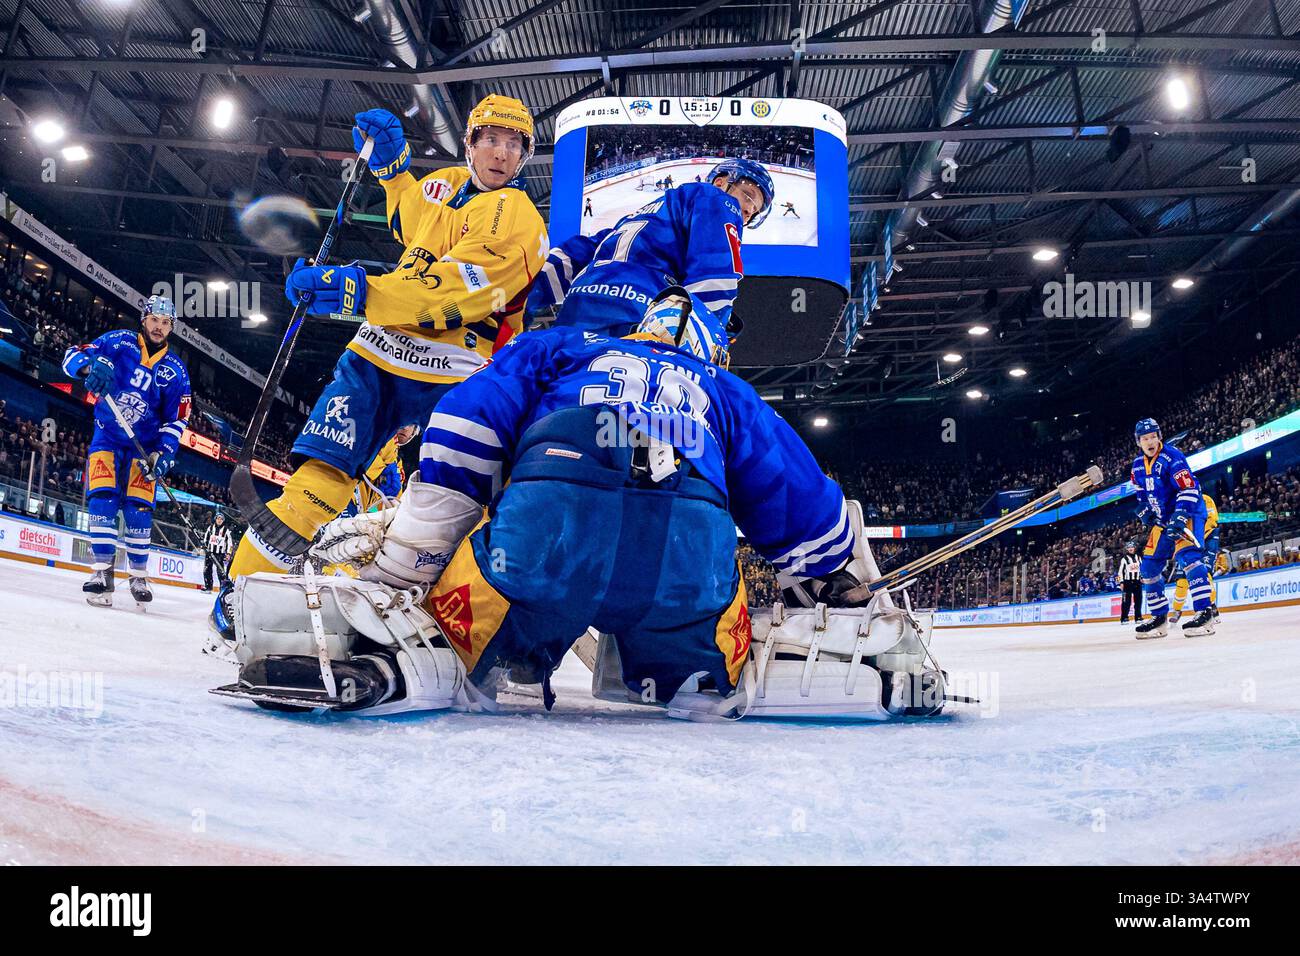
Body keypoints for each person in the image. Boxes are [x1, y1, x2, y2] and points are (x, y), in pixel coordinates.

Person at [223, 288, 943, 720]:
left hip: (547, 532)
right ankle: (841, 669)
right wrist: (846, 596)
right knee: (721, 657)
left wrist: (405, 571)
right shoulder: (724, 391)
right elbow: (805, 513)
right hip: (686, 560)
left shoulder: (562, 348)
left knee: (473, 623)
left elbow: (463, 427)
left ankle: (414, 660)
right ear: (709, 349)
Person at [217, 96, 548, 635]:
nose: (501, 153)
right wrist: (393, 173)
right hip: (376, 352)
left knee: (458, 508)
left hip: (458, 371)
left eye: (514, 145)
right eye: (490, 139)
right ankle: (240, 599)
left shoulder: (521, 221)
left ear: (524, 157)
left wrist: (357, 290)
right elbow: (412, 226)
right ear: (469, 143)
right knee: (316, 484)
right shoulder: (442, 184)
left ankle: (457, 626)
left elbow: (453, 294)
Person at [527, 157, 774, 338]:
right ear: (720, 183)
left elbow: (568, 260)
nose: (748, 211)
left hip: (578, 308)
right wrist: (710, 336)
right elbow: (714, 274)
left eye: (754, 212)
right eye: (749, 196)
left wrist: (516, 299)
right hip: (639, 309)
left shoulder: (629, 221)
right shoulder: (717, 199)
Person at [61, 295, 190, 608]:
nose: (158, 327)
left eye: (165, 322)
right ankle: (102, 573)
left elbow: (178, 419)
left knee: (138, 508)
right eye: (154, 320)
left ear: (171, 327)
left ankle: (138, 575)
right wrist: (88, 368)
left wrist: (164, 452)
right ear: (143, 319)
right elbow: (70, 358)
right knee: (103, 498)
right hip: (107, 437)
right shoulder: (118, 342)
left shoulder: (176, 371)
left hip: (143, 449)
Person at [1131, 418, 1216, 638]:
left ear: (1159, 437)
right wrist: (1144, 511)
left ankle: (1205, 612)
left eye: (1153, 437)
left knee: (1188, 558)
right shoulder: (1137, 466)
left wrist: (1180, 515)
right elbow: (1141, 495)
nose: (1150, 441)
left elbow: (1189, 488)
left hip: (1188, 512)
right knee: (1148, 569)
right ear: (1138, 442)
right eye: (1145, 438)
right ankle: (1159, 619)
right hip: (1163, 520)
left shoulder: (1173, 457)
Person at [1170, 493, 1221, 623]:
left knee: (1205, 574)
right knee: (1182, 581)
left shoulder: (1206, 499)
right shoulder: (1177, 501)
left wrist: (1197, 537)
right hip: (1187, 541)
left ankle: (1211, 606)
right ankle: (1177, 610)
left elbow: (1212, 520)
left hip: (1207, 539)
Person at [201, 510, 234, 592]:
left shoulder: (226, 530)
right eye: (218, 518)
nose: (219, 520)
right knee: (207, 570)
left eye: (221, 519)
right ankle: (208, 587)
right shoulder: (210, 528)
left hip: (220, 554)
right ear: (215, 519)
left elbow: (230, 543)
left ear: (223, 520)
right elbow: (206, 539)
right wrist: (204, 548)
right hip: (210, 552)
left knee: (220, 572)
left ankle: (222, 588)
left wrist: (228, 553)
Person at [1118, 539, 1143, 623]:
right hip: (1127, 582)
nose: (1131, 548)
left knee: (1138, 600)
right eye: (1129, 547)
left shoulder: (1138, 557)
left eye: (1132, 547)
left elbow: (1141, 569)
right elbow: (1120, 572)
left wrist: (1142, 577)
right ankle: (1124, 618)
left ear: (1134, 548)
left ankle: (1138, 617)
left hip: (1137, 582)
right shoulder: (1124, 559)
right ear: (1127, 549)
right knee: (1126, 601)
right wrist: (1121, 582)